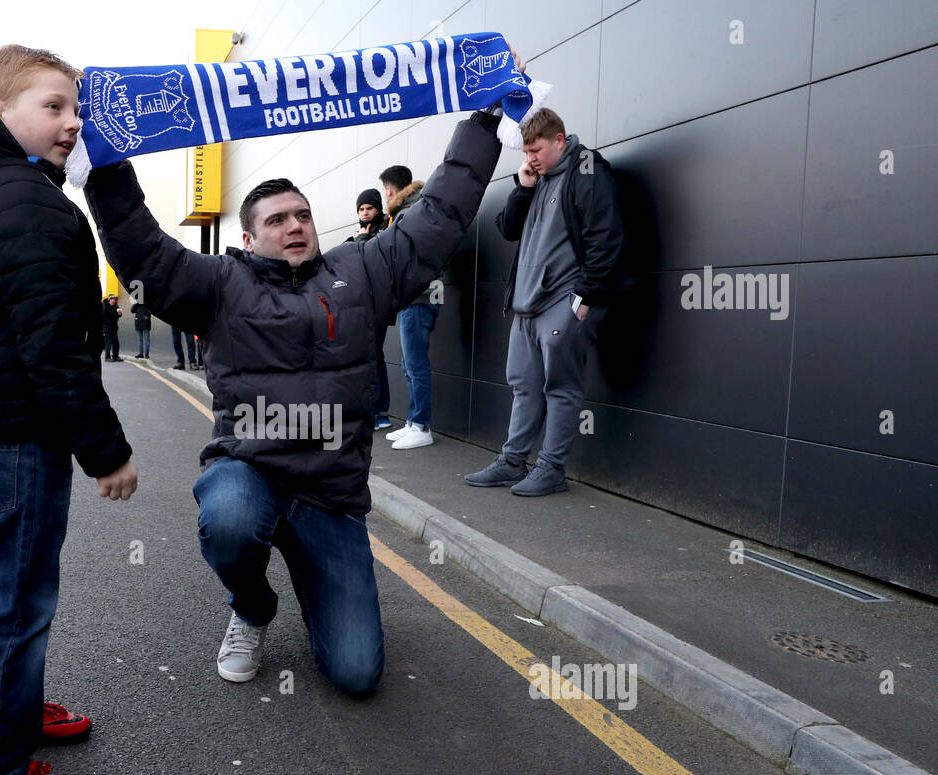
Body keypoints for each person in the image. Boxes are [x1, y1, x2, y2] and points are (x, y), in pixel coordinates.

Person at [85, 106, 504, 697]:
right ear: (249, 237)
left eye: (303, 215)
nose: (296, 226)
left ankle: (322, 592)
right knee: (229, 518)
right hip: (250, 472)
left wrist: (483, 123)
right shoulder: (219, 284)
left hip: (330, 498)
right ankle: (253, 608)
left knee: (357, 674)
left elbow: (436, 219)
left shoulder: (363, 269)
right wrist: (104, 164)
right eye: (278, 219)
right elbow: (144, 253)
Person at [0, 43, 137, 775]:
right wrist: (107, 447)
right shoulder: (23, 197)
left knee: (18, 584)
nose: (71, 123)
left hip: (6, 427)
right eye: (53, 106)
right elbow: (54, 341)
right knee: (20, 597)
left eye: (75, 110)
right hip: (21, 430)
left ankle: (17, 707)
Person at [465, 108, 624, 496]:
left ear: (559, 140)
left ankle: (551, 469)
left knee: (560, 387)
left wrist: (585, 298)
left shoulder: (588, 171)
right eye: (525, 151)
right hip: (526, 304)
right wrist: (522, 187)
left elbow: (607, 237)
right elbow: (507, 229)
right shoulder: (537, 178)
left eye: (536, 149)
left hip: (564, 300)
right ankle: (512, 461)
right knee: (523, 385)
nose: (530, 158)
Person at [378, 165, 440, 450]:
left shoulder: (411, 210)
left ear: (389, 190)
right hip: (410, 296)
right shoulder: (405, 211)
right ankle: (415, 422)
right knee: (409, 364)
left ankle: (421, 425)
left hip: (418, 295)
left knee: (416, 365)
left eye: (383, 191)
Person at [346, 188, 390, 429]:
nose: (364, 213)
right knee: (375, 357)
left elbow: (370, 261)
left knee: (372, 357)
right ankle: (379, 413)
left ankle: (377, 413)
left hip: (378, 303)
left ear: (378, 209)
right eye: (361, 209)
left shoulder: (383, 230)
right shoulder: (362, 232)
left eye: (369, 208)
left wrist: (361, 240)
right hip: (366, 303)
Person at [101, 293, 122, 361]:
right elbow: (106, 315)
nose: (113, 301)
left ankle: (116, 356)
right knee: (108, 343)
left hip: (114, 328)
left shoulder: (116, 306)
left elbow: (117, 316)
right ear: (109, 300)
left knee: (116, 343)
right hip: (107, 328)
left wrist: (119, 313)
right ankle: (107, 357)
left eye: (114, 299)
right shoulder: (105, 306)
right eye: (112, 299)